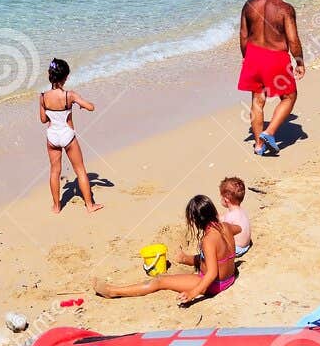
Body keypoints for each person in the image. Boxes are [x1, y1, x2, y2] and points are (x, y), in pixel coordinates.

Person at [96, 195, 236, 305]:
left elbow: (211, 273)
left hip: (215, 285)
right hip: (229, 278)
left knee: (160, 281)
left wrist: (192, 293)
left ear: (196, 220)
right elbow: (239, 229)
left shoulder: (208, 240)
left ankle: (113, 291)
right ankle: (185, 258)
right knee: (207, 257)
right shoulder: (225, 226)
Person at [238, 0, 303, 156]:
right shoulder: (285, 9)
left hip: (253, 55)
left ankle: (258, 145)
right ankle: (269, 132)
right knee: (289, 96)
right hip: (275, 57)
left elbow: (243, 36)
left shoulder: (249, 5)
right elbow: (293, 40)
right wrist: (299, 61)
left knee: (257, 100)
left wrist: (247, 59)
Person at [39, 58, 101, 214]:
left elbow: (43, 120)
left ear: (50, 75)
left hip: (52, 136)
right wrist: (80, 104)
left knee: (54, 171)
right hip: (67, 135)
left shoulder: (43, 97)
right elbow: (91, 107)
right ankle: (89, 205)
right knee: (80, 170)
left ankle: (56, 206)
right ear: (65, 77)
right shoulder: (70, 96)